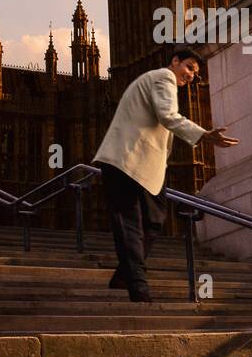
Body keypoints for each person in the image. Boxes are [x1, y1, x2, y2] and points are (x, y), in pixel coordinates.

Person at [92, 48, 237, 303]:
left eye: (195, 72)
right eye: (189, 67)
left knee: (154, 221)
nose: (191, 75)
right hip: (125, 161)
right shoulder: (164, 78)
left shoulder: (161, 82)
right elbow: (168, 116)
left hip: (145, 167)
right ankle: (137, 285)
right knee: (130, 223)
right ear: (175, 61)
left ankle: (123, 275)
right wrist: (204, 134)